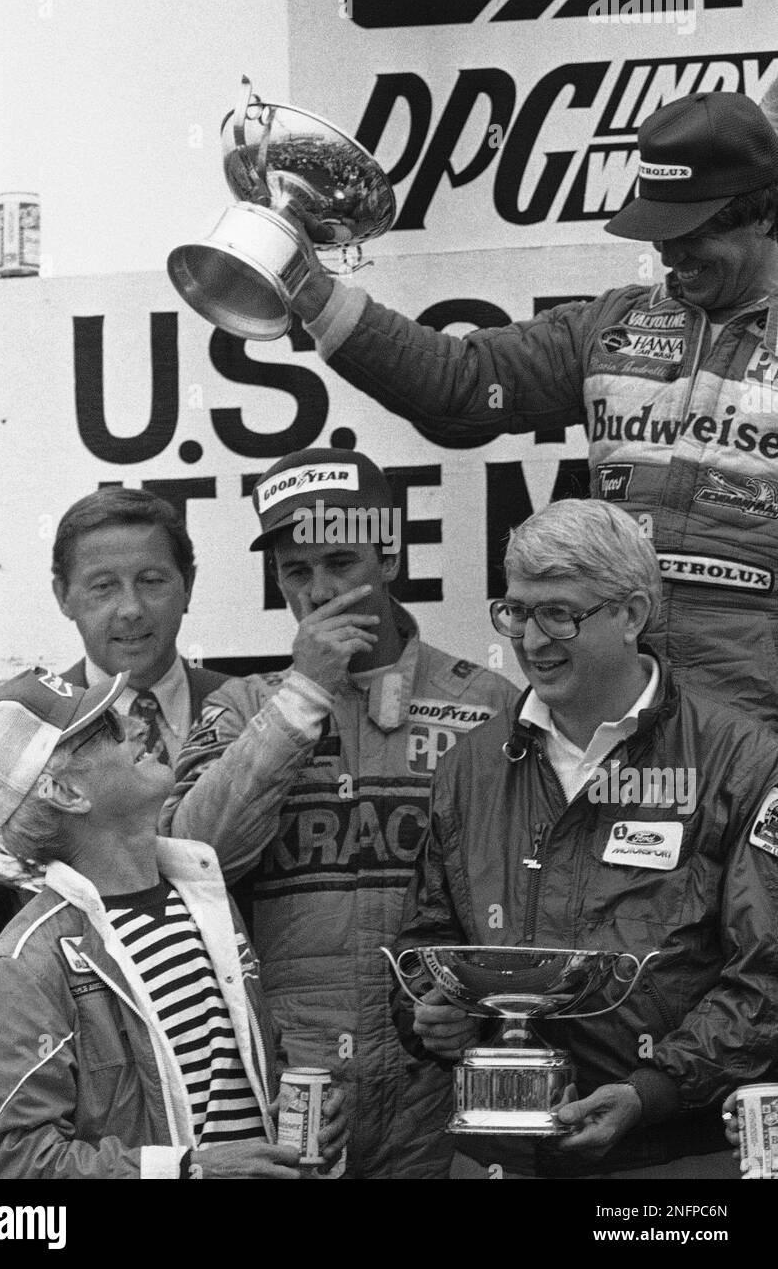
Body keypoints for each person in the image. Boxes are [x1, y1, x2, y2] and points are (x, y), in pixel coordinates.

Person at [292, 91, 778, 727]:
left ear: (763, 216)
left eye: (690, 233)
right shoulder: (613, 325)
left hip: (753, 686)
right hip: (612, 673)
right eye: (657, 231)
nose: (668, 254)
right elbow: (459, 386)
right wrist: (310, 290)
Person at [392, 499, 778, 1179]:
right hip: (497, 1155)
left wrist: (648, 1093)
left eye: (558, 613)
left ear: (630, 615)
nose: (531, 639)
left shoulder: (740, 759)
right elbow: (427, 937)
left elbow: (765, 972)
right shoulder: (470, 764)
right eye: (515, 611)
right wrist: (431, 1013)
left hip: (672, 1158)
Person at [160, 446, 518, 1178]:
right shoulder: (244, 707)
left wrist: (478, 1014)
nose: (318, 590)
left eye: (339, 561)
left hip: (439, 1073)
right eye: (296, 572)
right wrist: (304, 695)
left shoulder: (486, 703)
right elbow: (194, 860)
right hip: (291, 1077)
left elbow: (528, 892)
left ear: (389, 557)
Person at [0, 666, 345, 1179]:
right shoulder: (23, 965)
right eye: (108, 729)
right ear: (66, 793)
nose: (137, 725)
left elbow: (224, 1086)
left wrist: (297, 1124)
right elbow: (15, 1164)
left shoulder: (204, 894)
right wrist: (189, 1172)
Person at [0, 486, 226, 1010]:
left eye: (151, 581)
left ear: (188, 585)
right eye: (103, 587)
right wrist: (1, 1003)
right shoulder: (28, 730)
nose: (131, 609)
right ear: (64, 595)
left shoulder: (243, 710)